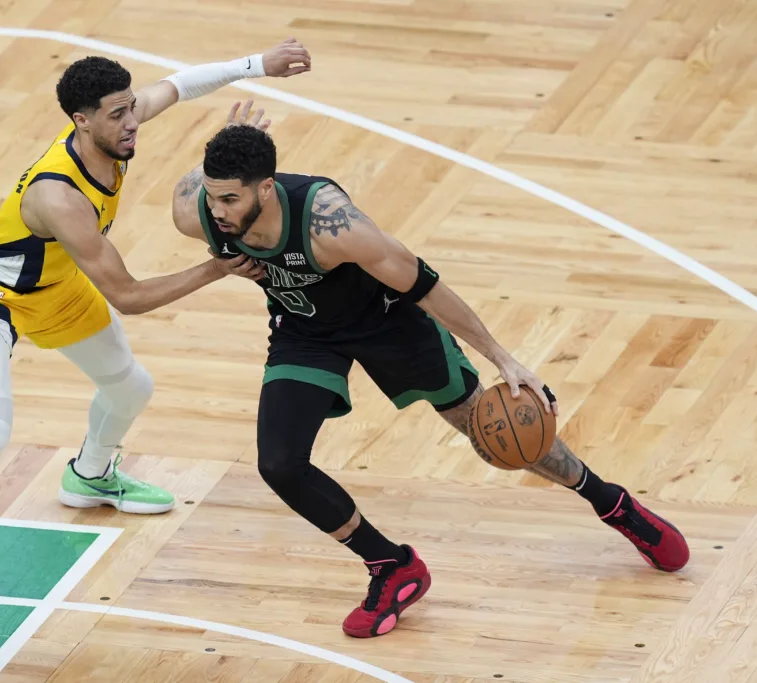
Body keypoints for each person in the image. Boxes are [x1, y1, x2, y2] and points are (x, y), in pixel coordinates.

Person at [170, 104, 690, 638]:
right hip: (306, 332)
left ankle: (611, 503)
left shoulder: (332, 222)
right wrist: (225, 153)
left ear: (266, 188)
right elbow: (189, 197)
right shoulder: (199, 211)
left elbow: (424, 284)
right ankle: (392, 566)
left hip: (389, 323)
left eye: (230, 198)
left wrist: (503, 358)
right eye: (212, 194)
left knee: (493, 433)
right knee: (278, 464)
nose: (219, 210)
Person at [0, 43, 312, 614]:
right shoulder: (58, 197)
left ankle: (90, 476)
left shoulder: (118, 122)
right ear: (81, 120)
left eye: (130, 108)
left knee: (131, 388)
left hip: (57, 286)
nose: (132, 123)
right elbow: (129, 295)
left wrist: (257, 65)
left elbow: (180, 81)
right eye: (118, 115)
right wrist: (214, 268)